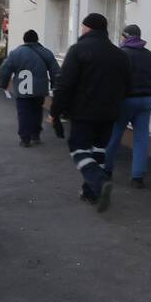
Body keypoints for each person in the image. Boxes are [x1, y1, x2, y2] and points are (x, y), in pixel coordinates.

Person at [50, 12, 131, 212]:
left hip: (83, 112)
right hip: (110, 113)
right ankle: (91, 193)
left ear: (88, 28)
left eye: (83, 26)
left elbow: (65, 84)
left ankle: (99, 181)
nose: (81, 30)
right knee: (99, 151)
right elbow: (128, 86)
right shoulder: (120, 54)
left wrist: (55, 111)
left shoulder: (78, 50)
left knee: (78, 148)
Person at [105, 24, 151, 188]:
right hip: (146, 101)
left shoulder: (120, 55)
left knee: (114, 134)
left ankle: (106, 169)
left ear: (126, 37)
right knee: (141, 138)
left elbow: (112, 81)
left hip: (125, 101)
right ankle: (138, 177)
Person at [0, 29, 60, 147]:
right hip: (39, 89)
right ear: (37, 39)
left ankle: (25, 138)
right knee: (37, 110)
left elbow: (4, 69)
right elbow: (55, 71)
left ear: (24, 40)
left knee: (24, 113)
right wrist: (55, 86)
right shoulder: (46, 52)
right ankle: (35, 134)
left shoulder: (16, 53)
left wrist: (3, 84)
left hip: (22, 89)